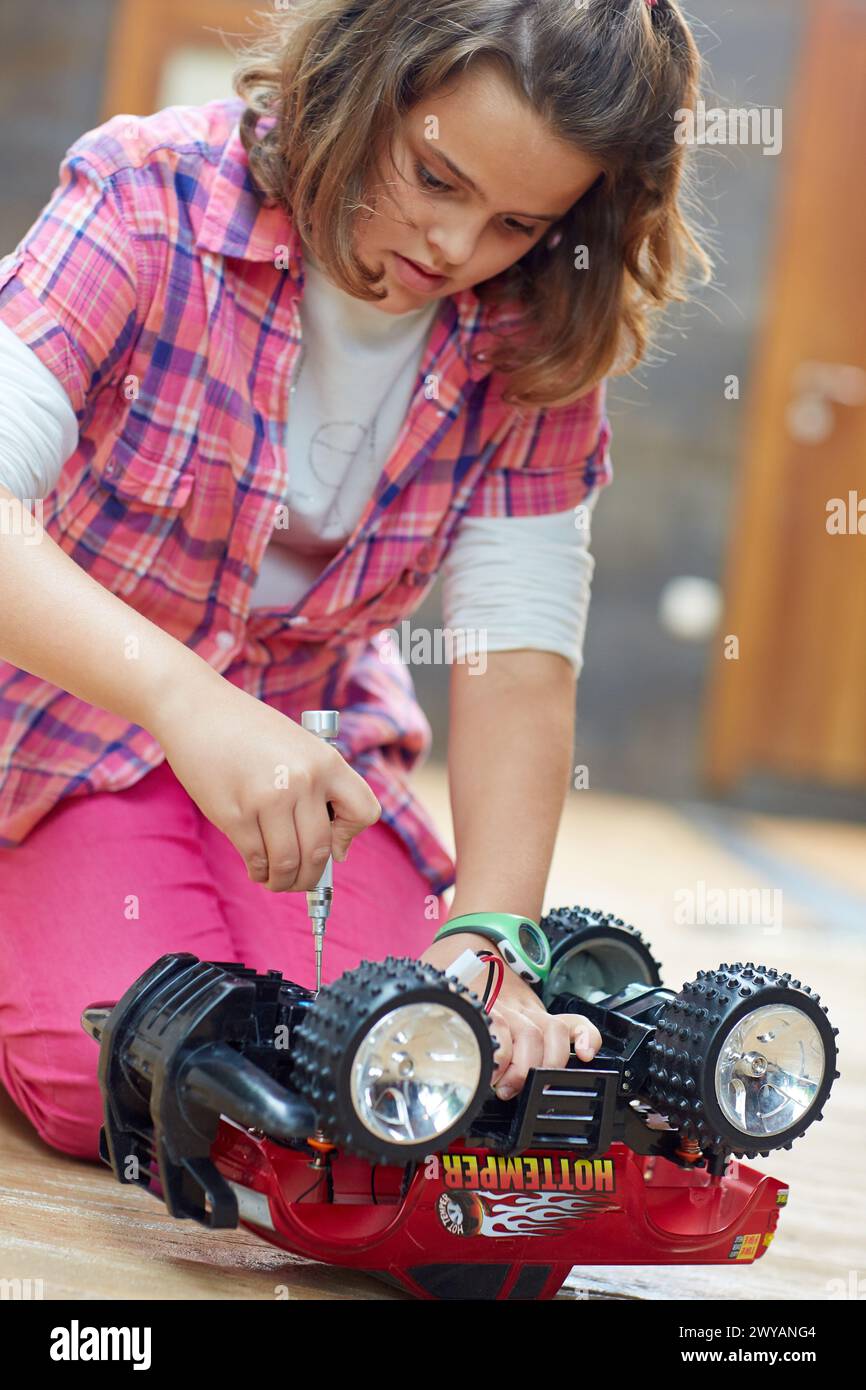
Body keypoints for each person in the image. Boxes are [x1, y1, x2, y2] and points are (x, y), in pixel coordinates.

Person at [0, 0, 711, 1160]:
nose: (451, 249)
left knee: (396, 1056)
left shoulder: (533, 331)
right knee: (120, 1072)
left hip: (313, 746)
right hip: (61, 723)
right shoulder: (146, 199)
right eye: (434, 176)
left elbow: (516, 655)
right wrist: (189, 702)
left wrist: (489, 938)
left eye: (515, 222)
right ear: (363, 75)